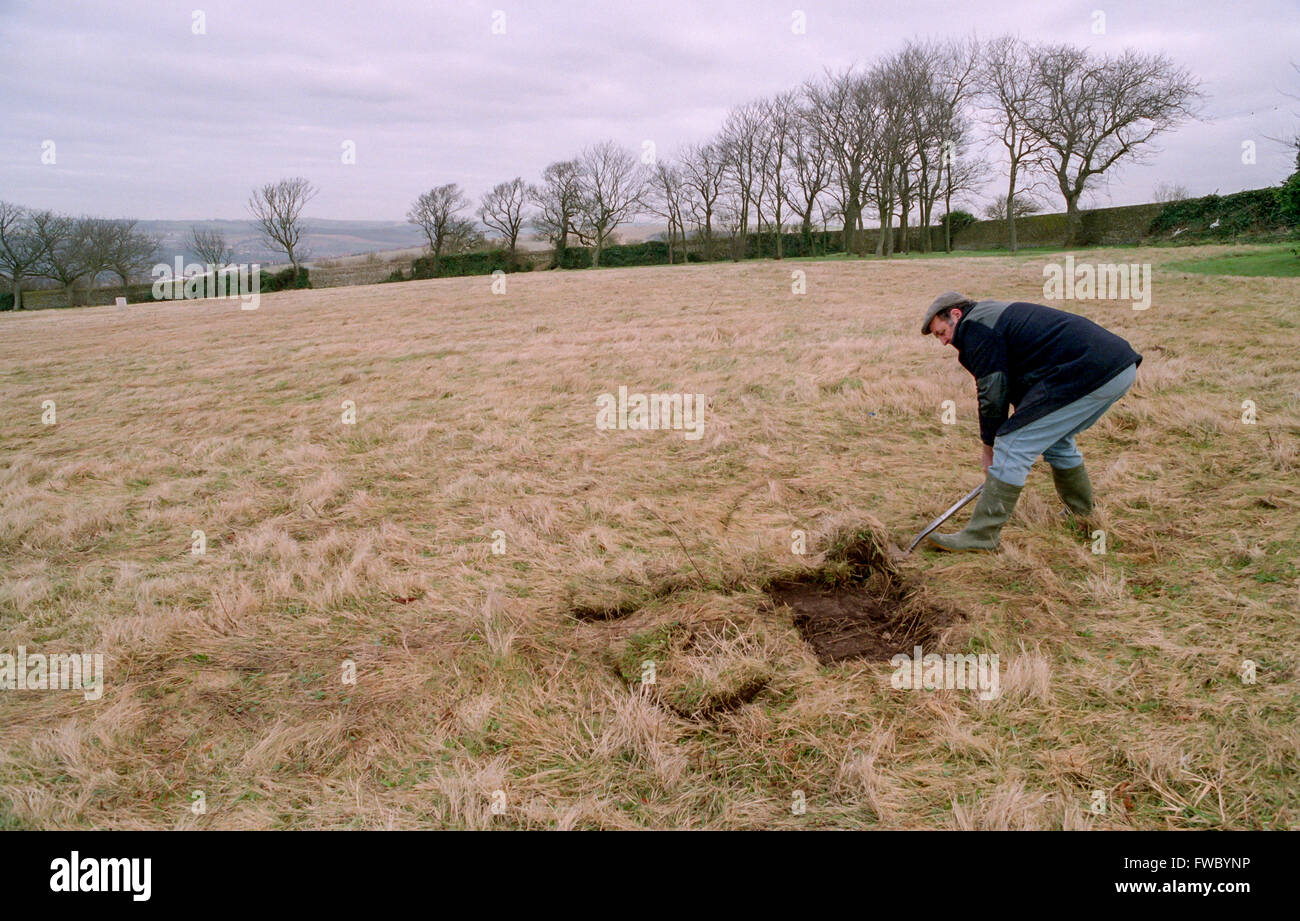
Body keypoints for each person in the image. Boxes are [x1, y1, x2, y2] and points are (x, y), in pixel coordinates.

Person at [920, 291, 1142, 552]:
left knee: (1012, 443)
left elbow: (993, 392)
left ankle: (981, 536)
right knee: (1055, 440)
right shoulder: (991, 318)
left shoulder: (976, 328)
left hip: (1092, 370)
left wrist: (989, 449)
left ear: (956, 314)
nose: (944, 342)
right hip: (1116, 368)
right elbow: (1021, 382)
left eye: (941, 332)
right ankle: (1081, 513)